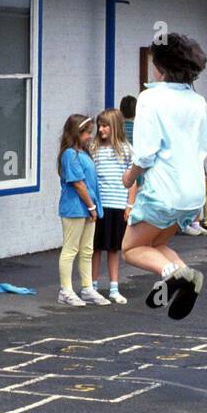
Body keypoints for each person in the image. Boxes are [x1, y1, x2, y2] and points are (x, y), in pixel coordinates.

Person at [121, 33, 207, 320]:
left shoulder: (150, 98)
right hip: (192, 193)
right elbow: (202, 147)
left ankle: (171, 274)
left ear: (159, 66)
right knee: (156, 244)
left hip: (163, 191)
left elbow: (146, 153)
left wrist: (129, 177)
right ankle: (187, 276)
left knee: (131, 249)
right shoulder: (198, 102)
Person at [89, 108, 135, 305]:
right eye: (99, 125)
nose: (101, 129)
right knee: (95, 247)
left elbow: (133, 180)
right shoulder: (94, 149)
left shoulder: (126, 150)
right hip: (100, 206)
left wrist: (129, 205)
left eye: (105, 125)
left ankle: (114, 287)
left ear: (115, 127)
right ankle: (92, 286)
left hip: (117, 205)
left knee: (114, 248)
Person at [56, 114, 102, 307]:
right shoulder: (69, 154)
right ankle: (66, 290)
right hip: (75, 209)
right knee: (71, 249)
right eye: (86, 133)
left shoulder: (82, 153)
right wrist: (91, 206)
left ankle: (87, 287)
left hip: (87, 208)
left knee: (86, 250)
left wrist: (92, 207)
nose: (90, 136)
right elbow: (78, 184)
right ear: (76, 133)